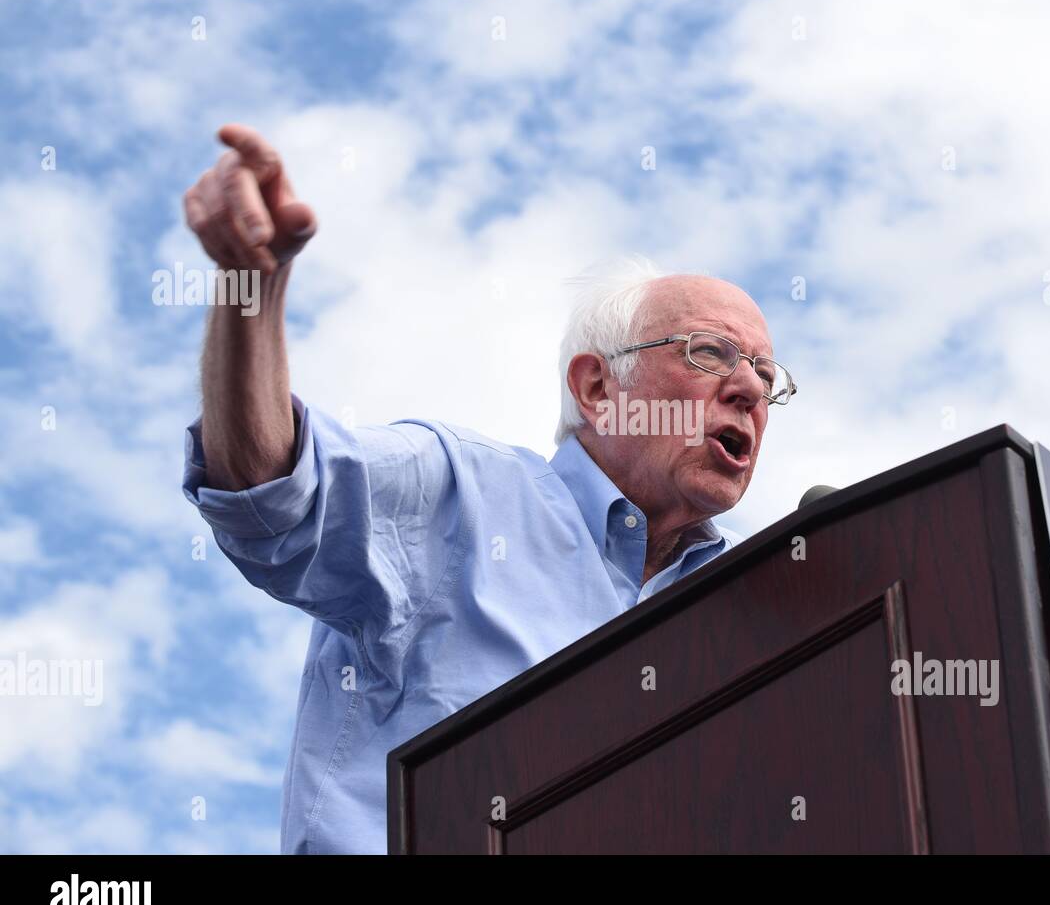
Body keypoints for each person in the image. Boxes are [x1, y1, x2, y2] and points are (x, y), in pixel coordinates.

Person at [181, 124, 796, 853]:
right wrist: (251, 284)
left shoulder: (753, 613)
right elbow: (270, 495)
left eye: (766, 375)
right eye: (710, 352)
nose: (749, 388)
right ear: (599, 387)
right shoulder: (455, 492)